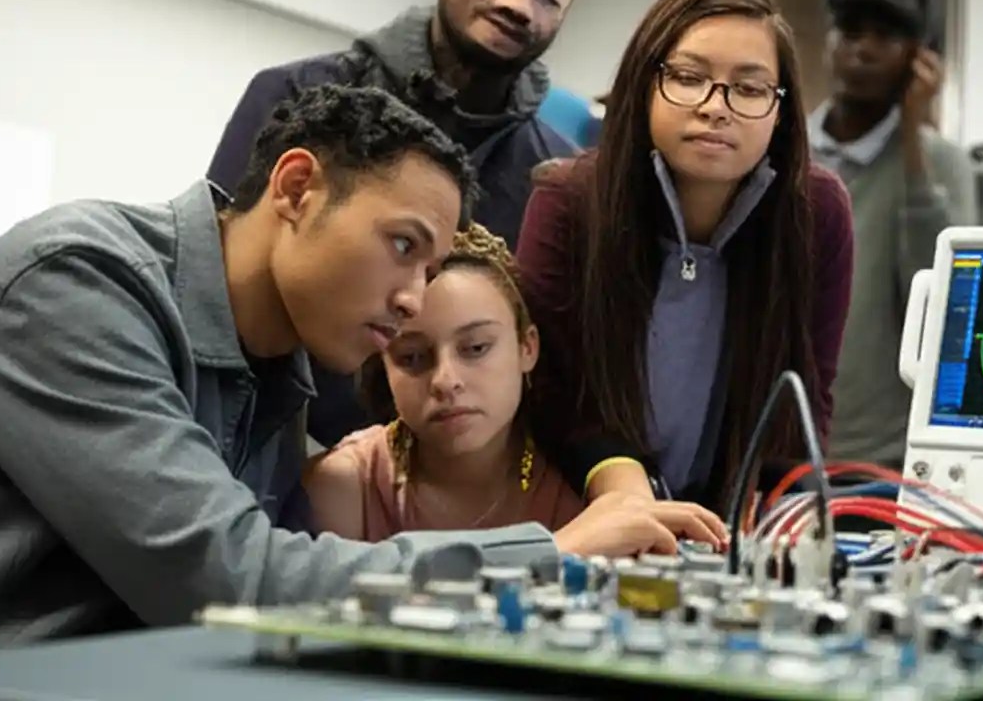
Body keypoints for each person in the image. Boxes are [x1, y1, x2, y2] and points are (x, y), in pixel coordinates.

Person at [0, 86, 704, 657]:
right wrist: (558, 552)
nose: (411, 300)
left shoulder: (273, 371)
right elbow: (234, 581)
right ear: (297, 188)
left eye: (431, 269)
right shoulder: (76, 281)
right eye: (403, 245)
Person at [516, 0, 855, 513]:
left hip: (730, 532)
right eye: (689, 78)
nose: (715, 108)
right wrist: (625, 489)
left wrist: (778, 512)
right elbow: (548, 387)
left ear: (780, 110)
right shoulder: (569, 201)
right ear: (644, 83)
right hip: (582, 510)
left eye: (749, 88)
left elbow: (806, 396)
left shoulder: (817, 213)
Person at [209, 0, 582, 451]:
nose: (518, 6)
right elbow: (218, 295)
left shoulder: (554, 180)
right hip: (249, 442)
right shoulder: (296, 96)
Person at [303, 222, 726, 548]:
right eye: (412, 358)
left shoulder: (582, 485)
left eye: (476, 348)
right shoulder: (345, 486)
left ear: (527, 348)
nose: (446, 381)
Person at [811, 0, 977, 466]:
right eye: (849, 31)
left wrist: (912, 142)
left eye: (883, 36)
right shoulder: (787, 150)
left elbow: (941, 304)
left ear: (917, 58)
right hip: (784, 448)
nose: (861, 50)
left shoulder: (940, 164)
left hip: (884, 458)